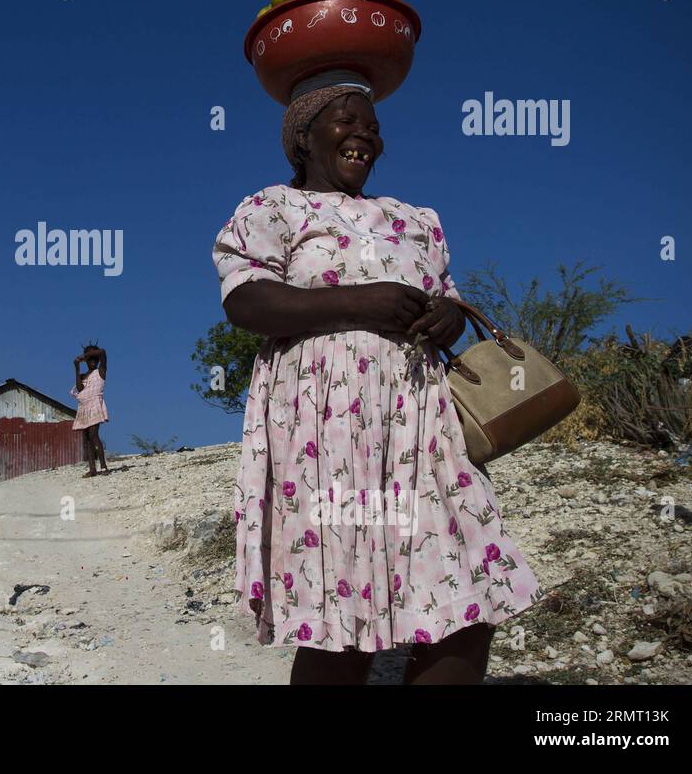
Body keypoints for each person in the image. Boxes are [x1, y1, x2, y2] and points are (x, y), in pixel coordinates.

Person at [211, 69, 541, 684]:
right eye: (347, 121)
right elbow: (246, 301)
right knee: (344, 612)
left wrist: (447, 317)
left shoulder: (413, 219)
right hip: (324, 429)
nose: (365, 135)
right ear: (304, 137)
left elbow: (447, 295)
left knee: (466, 591)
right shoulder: (273, 208)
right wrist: (360, 302)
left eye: (373, 126)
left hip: (420, 422)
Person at [72, 344, 109, 477]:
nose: (93, 361)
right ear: (86, 362)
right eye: (90, 359)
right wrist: (77, 367)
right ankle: (92, 469)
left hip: (94, 406)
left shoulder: (101, 371)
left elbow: (102, 352)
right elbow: (79, 388)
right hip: (84, 407)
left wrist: (85, 356)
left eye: (95, 359)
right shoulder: (84, 375)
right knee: (87, 439)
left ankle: (103, 467)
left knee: (94, 435)